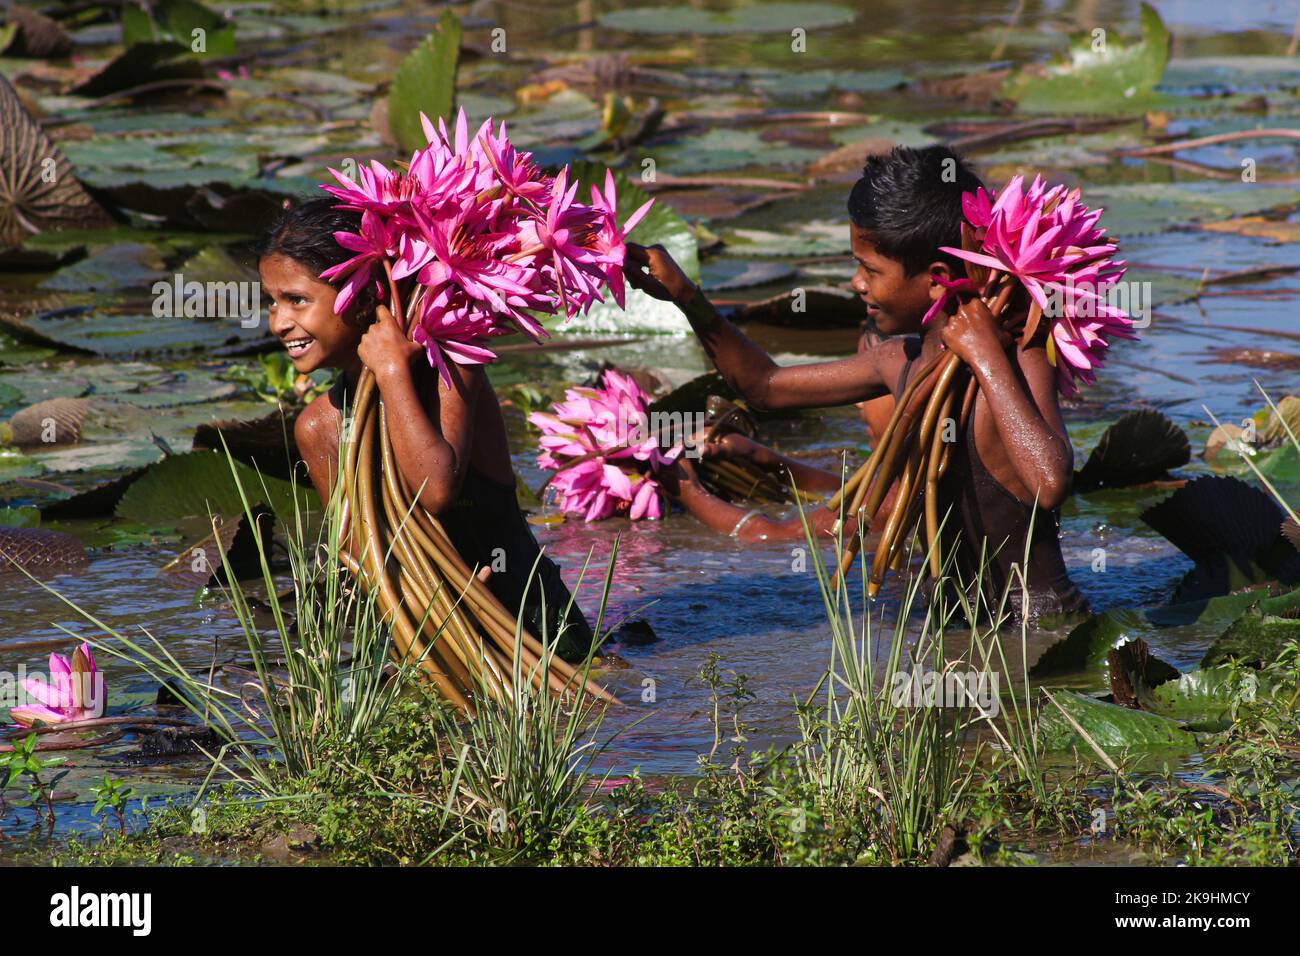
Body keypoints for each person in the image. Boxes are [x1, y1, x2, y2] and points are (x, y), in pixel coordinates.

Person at [625, 145, 1088, 622]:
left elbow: (1049, 483)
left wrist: (987, 356)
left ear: (937, 280)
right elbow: (764, 386)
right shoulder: (896, 362)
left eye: (870, 269)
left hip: (1041, 628)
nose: (856, 283)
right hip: (956, 625)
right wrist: (687, 298)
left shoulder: (1020, 354)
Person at [256, 197, 596, 661]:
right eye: (271, 302)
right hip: (422, 637)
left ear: (366, 292)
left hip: (532, 625)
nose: (278, 322)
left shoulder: (453, 368)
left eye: (297, 300)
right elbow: (360, 559)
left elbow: (435, 491)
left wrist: (392, 372)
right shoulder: (319, 427)